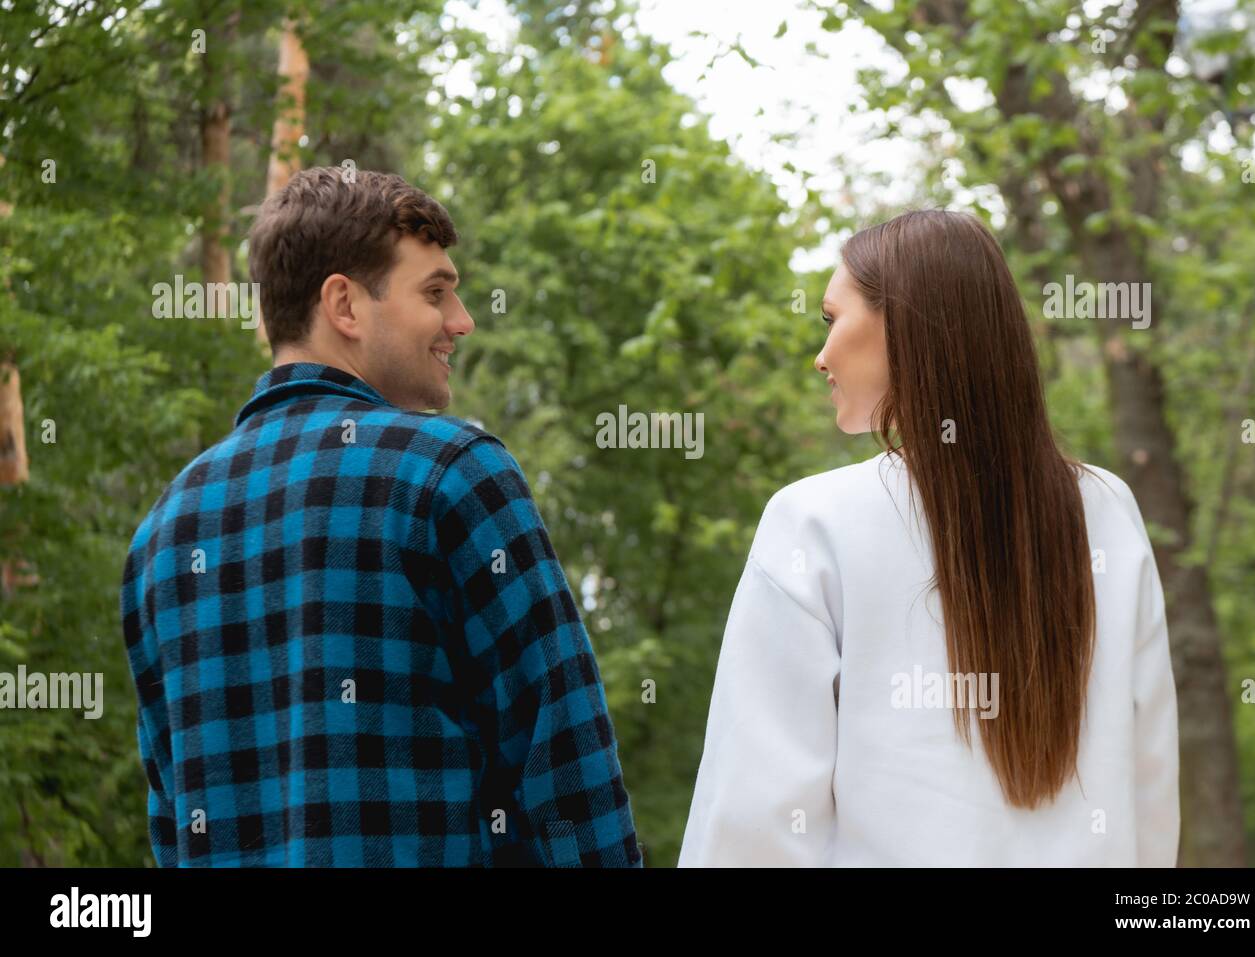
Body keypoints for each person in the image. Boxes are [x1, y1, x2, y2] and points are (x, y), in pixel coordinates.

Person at [120, 166, 641, 867]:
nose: (462, 320)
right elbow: (567, 768)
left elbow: (174, 821)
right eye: (435, 292)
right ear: (345, 304)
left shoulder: (161, 531)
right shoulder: (453, 472)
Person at [678, 209, 1180, 867]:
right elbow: (1150, 785)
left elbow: (753, 822)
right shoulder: (1107, 510)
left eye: (833, 319)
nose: (821, 354)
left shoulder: (813, 522)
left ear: (900, 326)